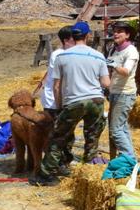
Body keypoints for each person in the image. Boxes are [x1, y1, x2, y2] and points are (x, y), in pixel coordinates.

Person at [29, 23, 110, 186]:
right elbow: (106, 83)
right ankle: (88, 171)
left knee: (58, 137)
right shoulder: (98, 56)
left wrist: (59, 107)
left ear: (72, 36)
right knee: (92, 136)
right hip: (96, 100)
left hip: (74, 101)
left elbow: (57, 86)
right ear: (87, 36)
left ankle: (46, 174)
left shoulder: (62, 57)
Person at [33, 25, 77, 163]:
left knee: (67, 133)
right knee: (57, 134)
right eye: (74, 39)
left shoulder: (68, 53)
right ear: (66, 40)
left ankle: (63, 160)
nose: (77, 41)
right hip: (55, 101)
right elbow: (59, 83)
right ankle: (54, 164)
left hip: (63, 100)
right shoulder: (59, 55)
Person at [107, 21, 140, 160]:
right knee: (122, 127)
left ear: (127, 35)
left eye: (120, 31)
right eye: (114, 31)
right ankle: (127, 157)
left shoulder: (131, 51)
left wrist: (114, 65)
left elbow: (126, 71)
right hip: (114, 92)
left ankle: (129, 159)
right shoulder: (114, 49)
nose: (115, 34)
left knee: (116, 130)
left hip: (125, 93)